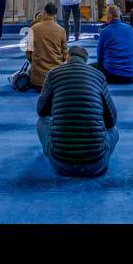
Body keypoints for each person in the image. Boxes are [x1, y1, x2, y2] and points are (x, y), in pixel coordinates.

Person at [36, 45, 119, 177]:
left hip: (60, 164)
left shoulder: (53, 74)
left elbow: (41, 111)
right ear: (86, 60)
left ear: (67, 57)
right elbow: (112, 121)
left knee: (42, 122)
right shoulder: (98, 76)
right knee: (114, 131)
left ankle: (52, 151)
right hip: (96, 165)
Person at [28, 2, 70, 89]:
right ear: (55, 15)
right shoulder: (61, 30)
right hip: (56, 79)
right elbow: (65, 56)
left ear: (44, 13)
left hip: (37, 81)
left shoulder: (33, 29)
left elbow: (29, 54)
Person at [94, 5, 133, 84]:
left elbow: (99, 56)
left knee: (89, 68)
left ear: (109, 16)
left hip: (111, 74)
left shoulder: (105, 31)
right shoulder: (129, 28)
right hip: (130, 76)